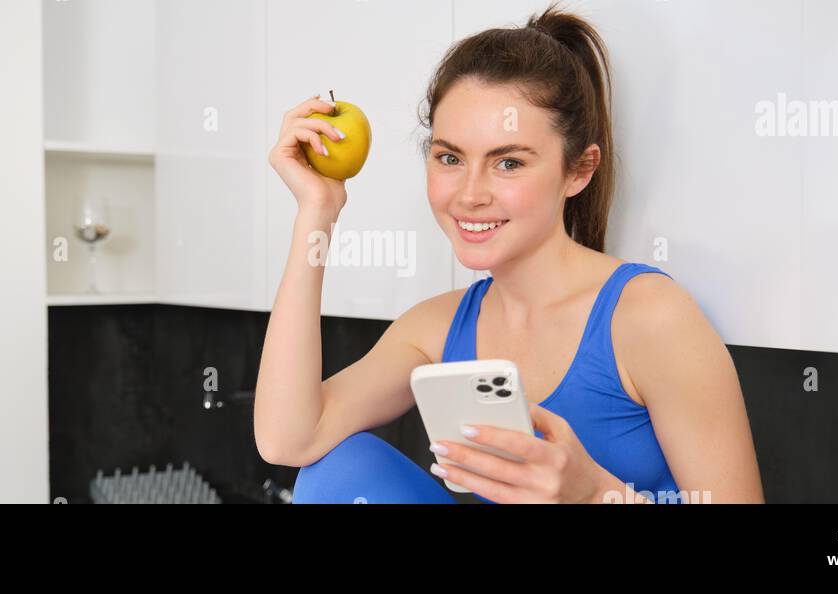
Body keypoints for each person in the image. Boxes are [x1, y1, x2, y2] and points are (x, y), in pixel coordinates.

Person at [254, 2, 764, 504]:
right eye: (450, 157)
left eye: (509, 163)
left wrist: (593, 495)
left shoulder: (649, 318)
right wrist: (316, 212)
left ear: (579, 171)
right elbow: (290, 439)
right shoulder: (437, 329)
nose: (470, 193)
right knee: (338, 469)